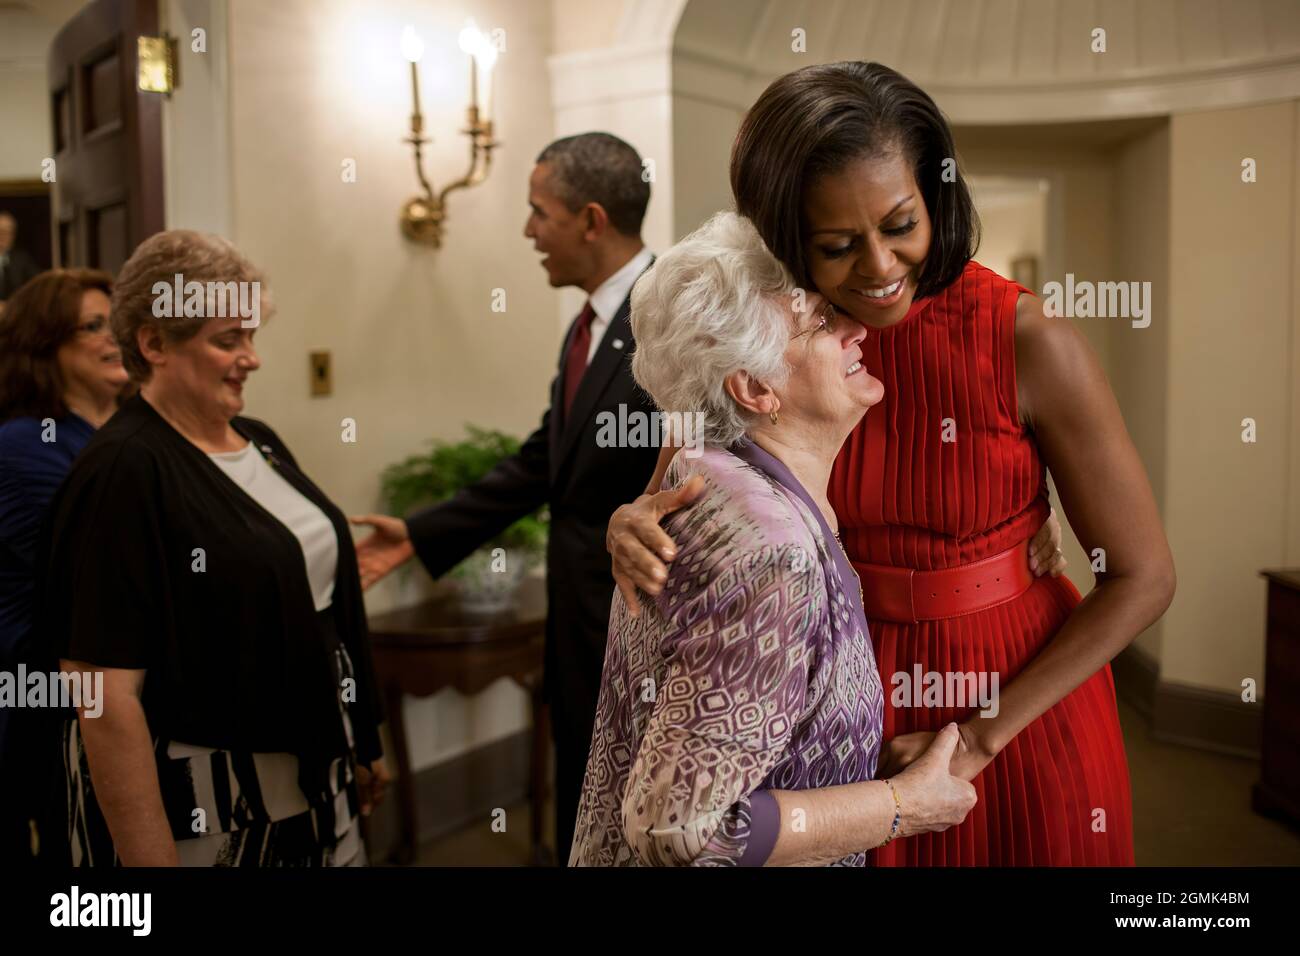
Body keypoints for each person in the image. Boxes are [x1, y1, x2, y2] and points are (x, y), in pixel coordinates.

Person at [607, 61, 1175, 866]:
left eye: (901, 224)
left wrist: (979, 739)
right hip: (840, 699)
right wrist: (628, 522)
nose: (879, 269)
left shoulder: (1027, 337)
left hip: (1016, 697)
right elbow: (678, 498)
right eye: (836, 246)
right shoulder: (761, 344)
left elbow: (1145, 576)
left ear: (934, 200)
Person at [571, 212, 976, 866]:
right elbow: (683, 830)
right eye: (821, 321)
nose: (854, 325)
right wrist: (904, 805)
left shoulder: (700, 469)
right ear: (756, 388)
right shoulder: (770, 550)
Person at [351, 133, 662, 858]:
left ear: (590, 219)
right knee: (583, 817)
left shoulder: (668, 317)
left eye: (537, 212)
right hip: (579, 629)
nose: (528, 232)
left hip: (640, 634)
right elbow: (544, 461)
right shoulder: (588, 324)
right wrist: (423, 533)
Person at [41, 230, 388, 866]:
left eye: (252, 336)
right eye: (228, 340)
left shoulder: (258, 438)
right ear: (154, 343)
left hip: (314, 774)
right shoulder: (122, 471)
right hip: (212, 804)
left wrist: (360, 738)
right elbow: (102, 694)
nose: (251, 358)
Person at [0, 268, 127, 864]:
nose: (114, 338)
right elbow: (98, 566)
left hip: (104, 681)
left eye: (117, 324)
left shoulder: (124, 432)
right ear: (46, 343)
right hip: (41, 691)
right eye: (94, 326)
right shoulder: (25, 443)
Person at [0, 213, 40, 303]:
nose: (3, 236)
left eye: (8, 232)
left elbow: (37, 283)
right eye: (1, 231)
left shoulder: (22, 259)